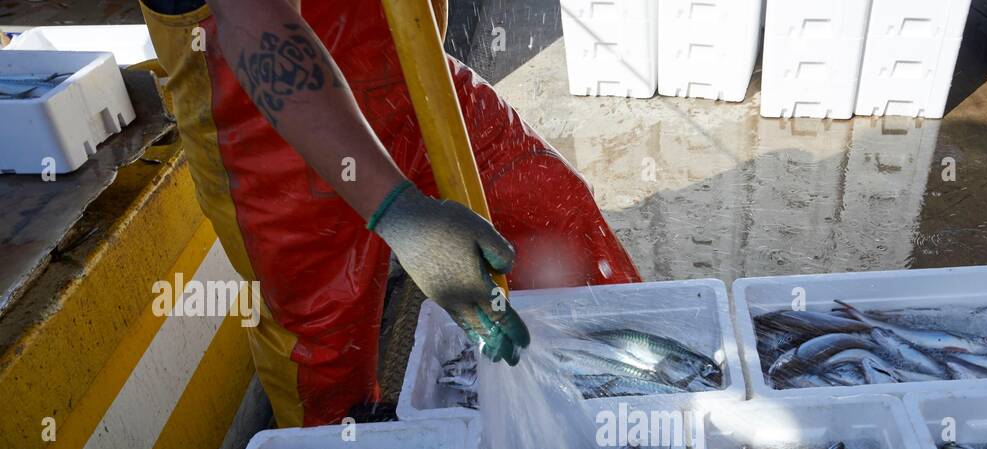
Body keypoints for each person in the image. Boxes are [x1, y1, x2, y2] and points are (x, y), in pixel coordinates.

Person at [139, 0, 640, 426]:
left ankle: (640, 398)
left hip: (405, 72)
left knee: (552, 207)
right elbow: (253, 22)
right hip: (271, 129)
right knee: (326, 364)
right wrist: (399, 213)